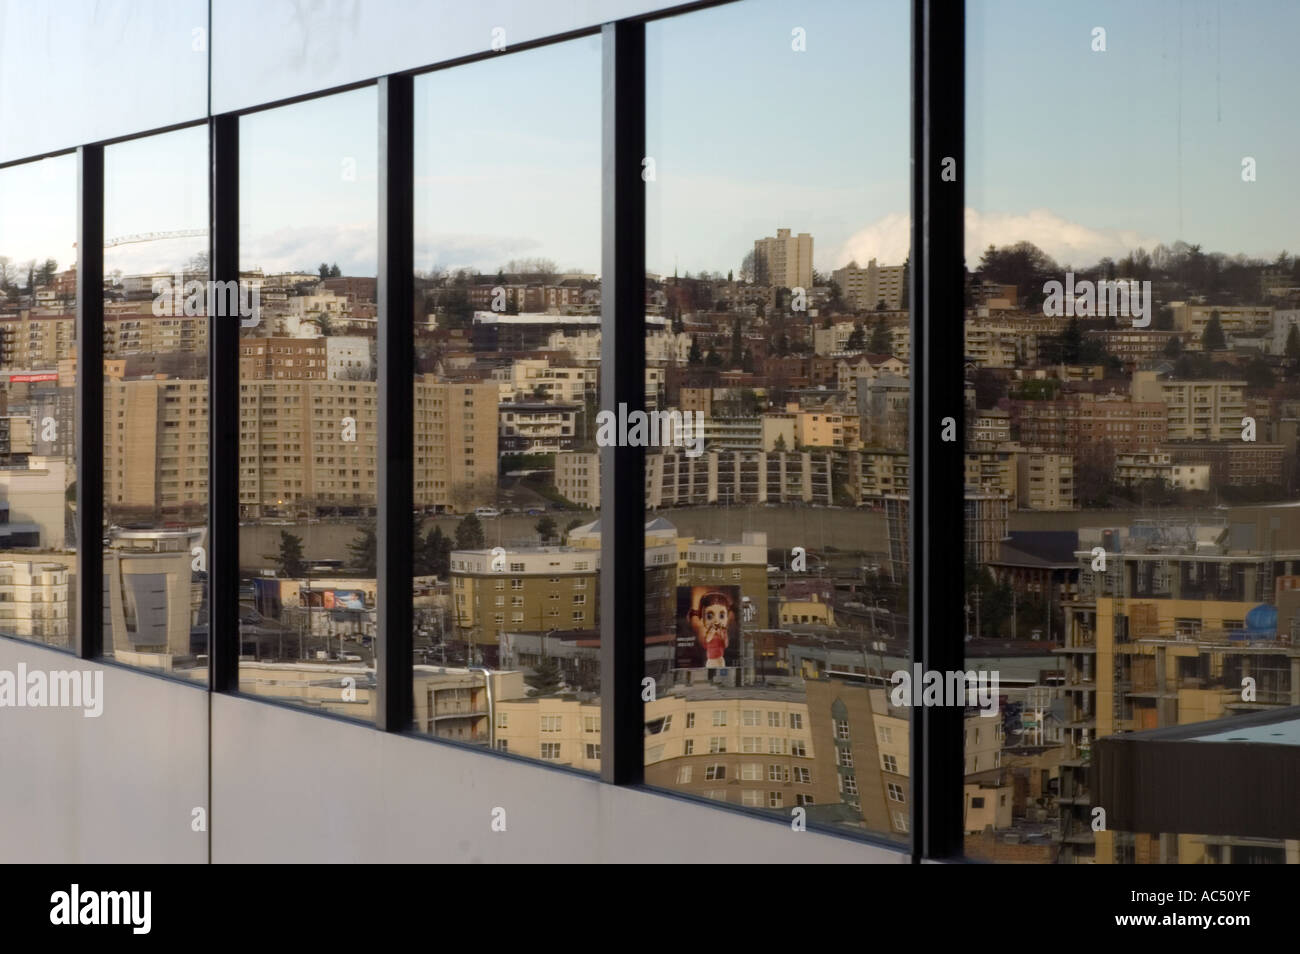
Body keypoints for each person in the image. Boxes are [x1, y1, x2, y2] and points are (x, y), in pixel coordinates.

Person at [690, 590, 733, 670]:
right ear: (702, 618)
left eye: (721, 616)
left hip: (720, 659)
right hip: (710, 660)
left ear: (727, 617)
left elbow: (725, 645)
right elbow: (706, 643)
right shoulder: (708, 633)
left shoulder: (723, 632)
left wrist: (722, 635)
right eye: (709, 616)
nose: (716, 621)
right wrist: (712, 632)